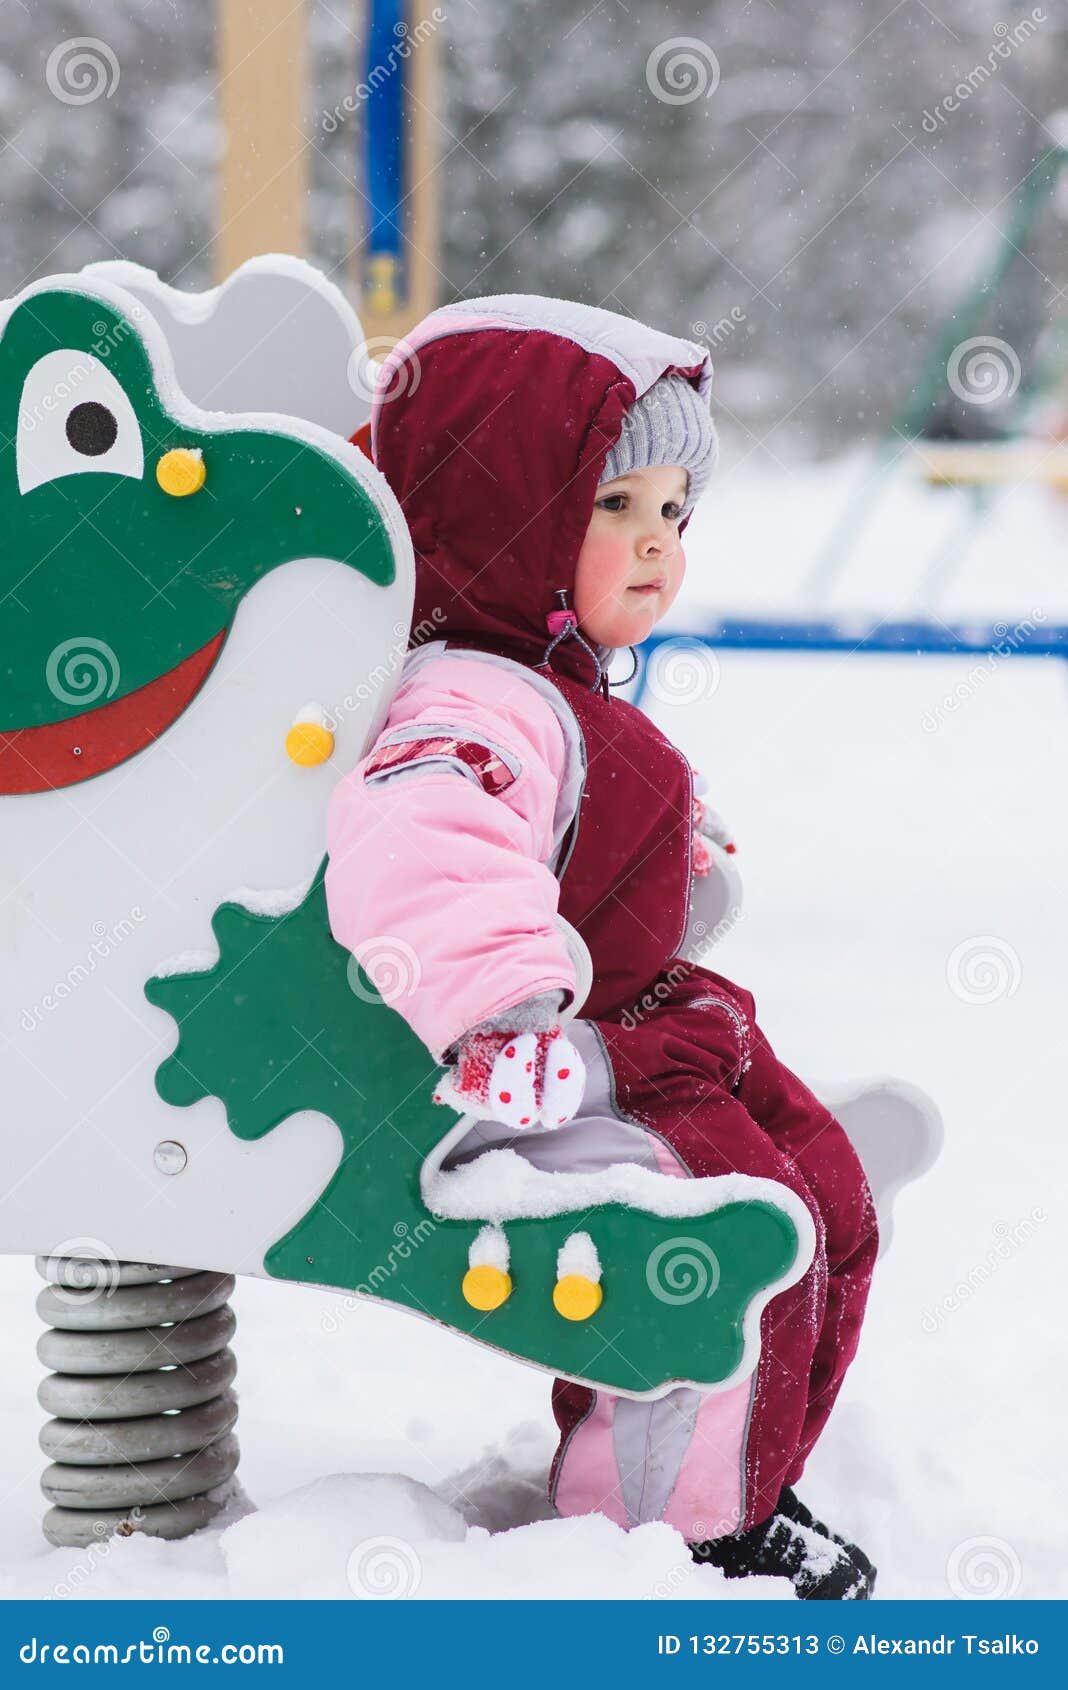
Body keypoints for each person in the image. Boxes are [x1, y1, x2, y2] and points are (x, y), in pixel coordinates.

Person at [325, 296, 879, 1599]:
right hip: (550, 1058)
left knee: (825, 1197)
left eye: (676, 510)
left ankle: (746, 1473)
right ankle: (670, 1532)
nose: (656, 544)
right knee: (724, 1231)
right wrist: (509, 1015)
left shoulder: (543, 686)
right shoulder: (455, 699)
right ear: (497, 512)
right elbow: (424, 857)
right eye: (615, 503)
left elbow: (587, 828)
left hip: (652, 1025)